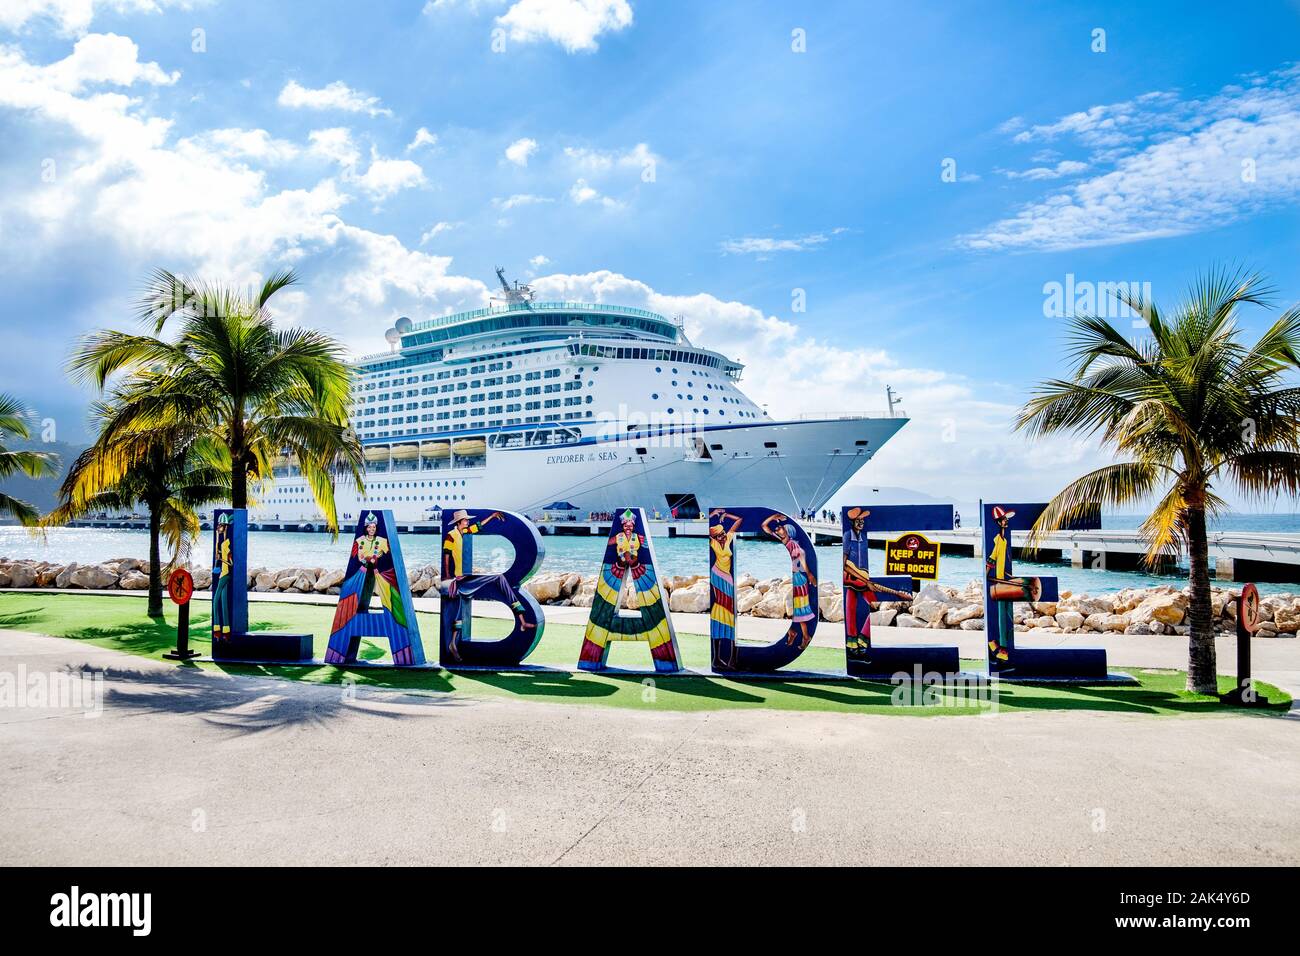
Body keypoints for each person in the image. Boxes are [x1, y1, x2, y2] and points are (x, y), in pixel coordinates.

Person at [762, 513, 817, 649]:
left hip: (799, 579)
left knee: (800, 609)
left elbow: (802, 555)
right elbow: (764, 526)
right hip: (793, 577)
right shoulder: (783, 542)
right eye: (778, 528)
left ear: (788, 532)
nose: (777, 529)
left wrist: (809, 574)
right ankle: (793, 631)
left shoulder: (793, 545)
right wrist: (773, 517)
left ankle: (805, 636)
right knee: (794, 607)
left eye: (781, 528)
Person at [708, 509, 743, 668]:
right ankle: (717, 659)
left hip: (727, 577)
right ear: (714, 537)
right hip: (717, 574)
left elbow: (739, 520)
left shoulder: (728, 538)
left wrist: (726, 515)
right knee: (720, 606)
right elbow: (704, 527)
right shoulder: (713, 542)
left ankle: (730, 659)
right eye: (719, 535)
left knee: (728, 608)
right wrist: (712, 514)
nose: (722, 536)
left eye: (722, 534)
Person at [210, 512, 233, 641]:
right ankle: (226, 631)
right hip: (221, 574)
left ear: (225, 527)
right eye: (218, 525)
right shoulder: (220, 543)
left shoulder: (226, 544)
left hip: (225, 574)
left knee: (216, 601)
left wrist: (222, 559)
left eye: (221, 526)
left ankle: (217, 629)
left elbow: (230, 562)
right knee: (224, 603)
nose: (218, 527)